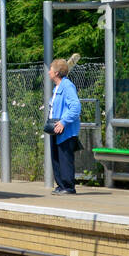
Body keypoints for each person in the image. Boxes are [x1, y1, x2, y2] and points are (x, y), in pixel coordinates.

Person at [47, 58, 81, 195]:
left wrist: (63, 122)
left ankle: (68, 186)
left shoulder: (67, 86)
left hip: (65, 130)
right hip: (55, 129)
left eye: (50, 69)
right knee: (56, 157)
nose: (49, 72)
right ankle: (61, 185)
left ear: (56, 72)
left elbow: (75, 107)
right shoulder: (57, 88)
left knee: (65, 158)